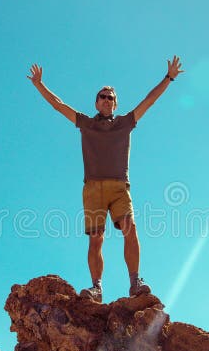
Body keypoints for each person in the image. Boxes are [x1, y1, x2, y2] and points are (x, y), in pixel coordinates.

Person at [27, 56, 184, 302]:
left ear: (115, 104)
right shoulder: (86, 123)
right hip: (93, 188)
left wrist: (169, 78)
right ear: (96, 102)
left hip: (119, 187)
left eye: (111, 97)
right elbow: (58, 105)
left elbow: (149, 100)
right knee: (96, 239)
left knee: (130, 229)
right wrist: (39, 84)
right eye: (103, 96)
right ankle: (96, 288)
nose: (107, 100)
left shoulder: (125, 123)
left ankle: (135, 282)